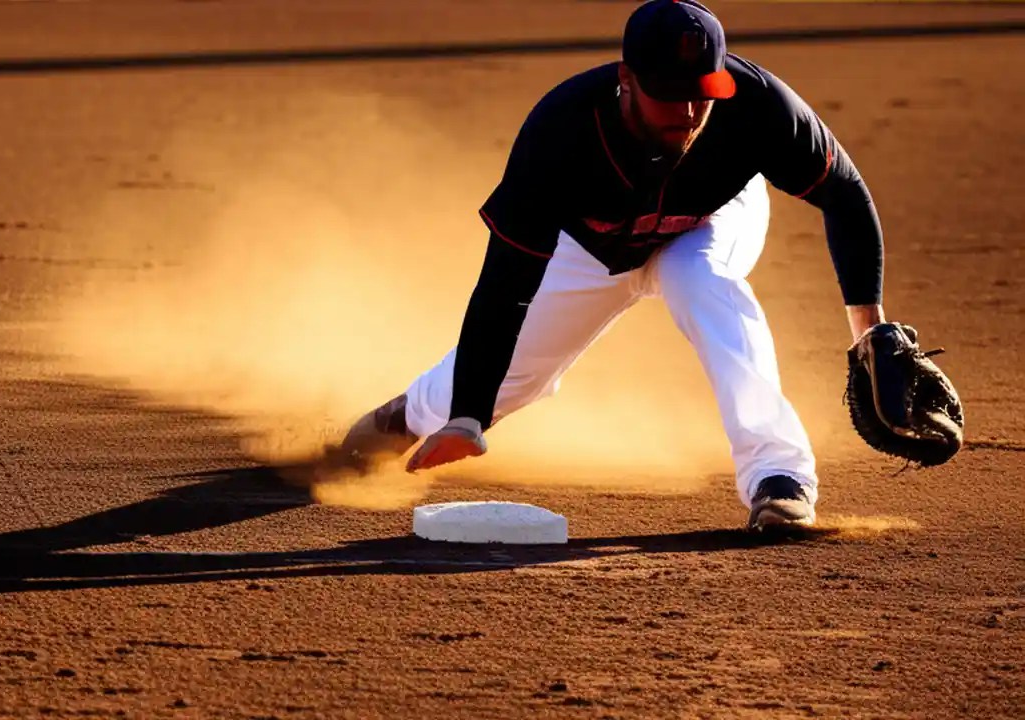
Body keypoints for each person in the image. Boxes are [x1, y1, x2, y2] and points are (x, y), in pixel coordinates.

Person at [338, 0, 888, 531]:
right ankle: (408, 415)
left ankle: (779, 476)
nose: (689, 112)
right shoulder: (560, 132)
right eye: (669, 95)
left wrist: (870, 334)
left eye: (702, 94)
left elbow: (845, 193)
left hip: (710, 221)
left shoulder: (760, 107)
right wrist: (467, 417)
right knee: (506, 379)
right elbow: (505, 285)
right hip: (593, 247)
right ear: (627, 78)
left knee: (702, 283)